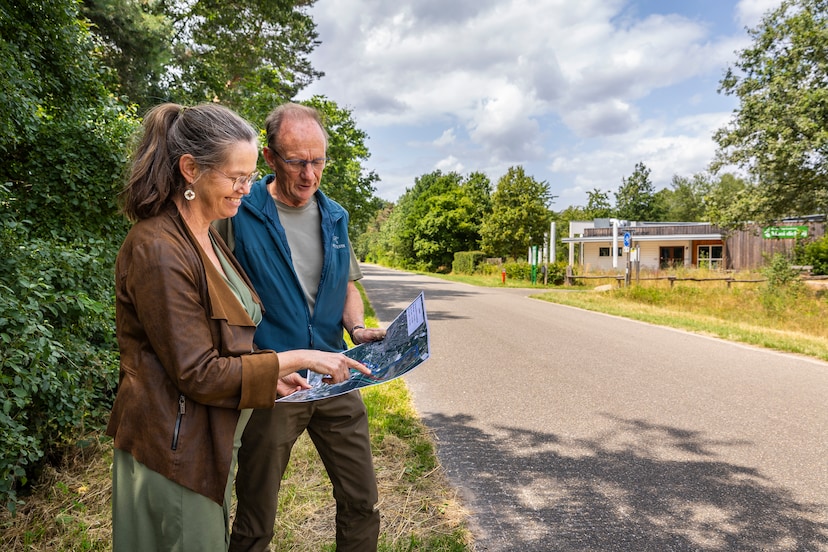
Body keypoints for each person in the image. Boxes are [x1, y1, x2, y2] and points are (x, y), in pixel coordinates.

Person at [106, 102, 370, 552]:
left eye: (248, 178)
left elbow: (219, 332)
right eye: (237, 178)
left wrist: (346, 333)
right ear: (191, 169)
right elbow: (197, 370)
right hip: (177, 444)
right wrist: (292, 359)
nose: (248, 191)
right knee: (249, 516)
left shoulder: (207, 233)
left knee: (359, 498)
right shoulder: (163, 247)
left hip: (210, 433)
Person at [222, 103, 386, 552]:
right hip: (277, 381)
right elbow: (213, 295)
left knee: (361, 500)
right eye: (298, 162)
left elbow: (348, 283)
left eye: (318, 161)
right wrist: (250, 364)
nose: (310, 175)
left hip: (336, 373)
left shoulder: (336, 215)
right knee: (257, 510)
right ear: (271, 158)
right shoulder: (238, 211)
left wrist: (357, 326)